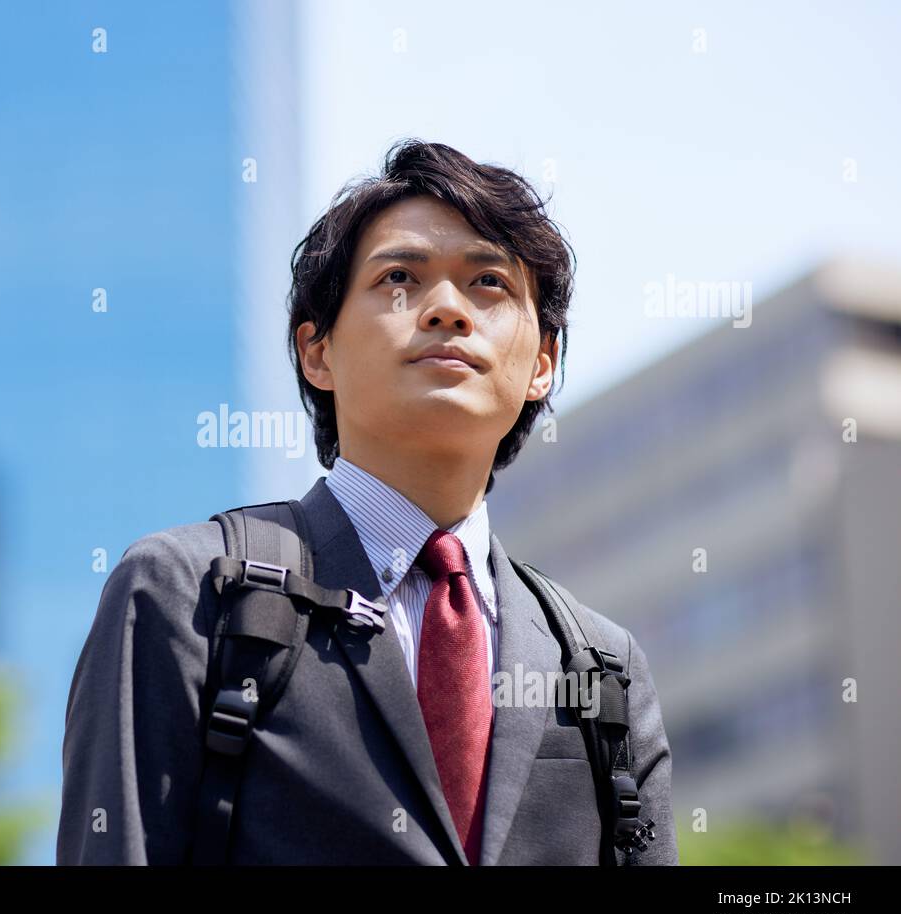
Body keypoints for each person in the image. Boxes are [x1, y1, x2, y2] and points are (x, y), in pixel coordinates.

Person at [57, 139, 676, 865]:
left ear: (542, 365)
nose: (448, 308)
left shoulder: (604, 667)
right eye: (400, 278)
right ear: (317, 352)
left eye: (488, 282)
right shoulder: (185, 592)